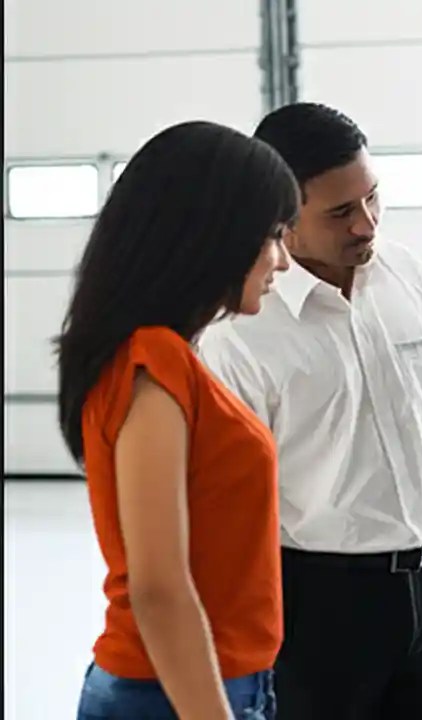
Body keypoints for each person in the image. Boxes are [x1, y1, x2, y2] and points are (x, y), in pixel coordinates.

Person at [197, 102, 422, 720]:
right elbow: (224, 503)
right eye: (340, 212)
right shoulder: (239, 332)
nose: (367, 225)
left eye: (373, 199)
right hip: (313, 607)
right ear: (280, 218)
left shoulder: (406, 276)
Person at [58, 120, 298, 720]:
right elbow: (159, 588)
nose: (284, 260)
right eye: (272, 236)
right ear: (214, 235)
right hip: (171, 693)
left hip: (198, 684)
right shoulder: (153, 361)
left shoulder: (162, 360)